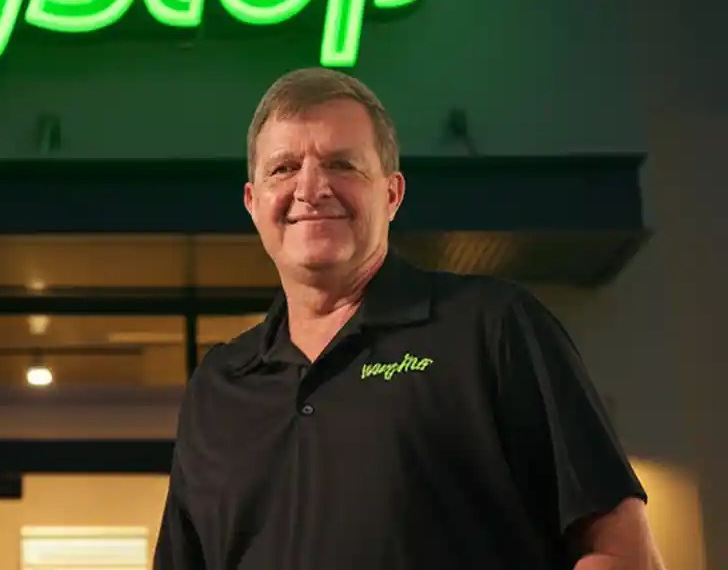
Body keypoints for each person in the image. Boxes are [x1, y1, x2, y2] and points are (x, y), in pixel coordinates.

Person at [154, 68, 665, 569]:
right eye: (284, 168)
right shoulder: (218, 386)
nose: (311, 188)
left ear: (392, 194)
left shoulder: (491, 329)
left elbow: (621, 549)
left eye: (341, 164)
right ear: (252, 202)